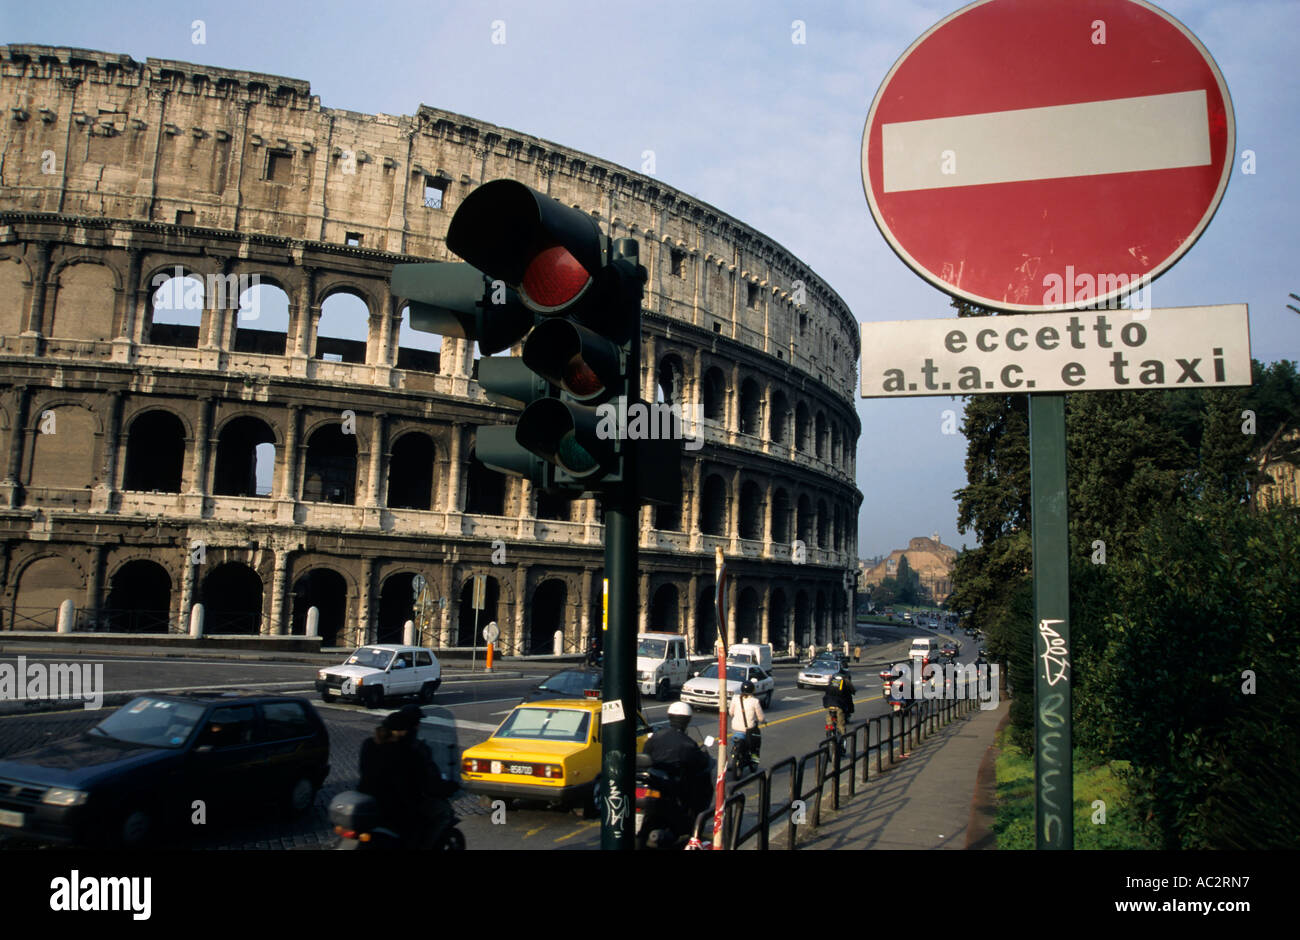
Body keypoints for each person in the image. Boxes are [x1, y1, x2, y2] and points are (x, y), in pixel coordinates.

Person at [358, 704, 457, 848]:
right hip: (398, 807)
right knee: (438, 814)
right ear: (404, 731)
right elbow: (425, 782)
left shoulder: (369, 744)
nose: (417, 727)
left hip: (370, 800)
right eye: (415, 725)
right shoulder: (407, 753)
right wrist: (447, 787)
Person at [644, 702, 711, 815]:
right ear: (688, 720)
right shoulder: (688, 743)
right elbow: (700, 762)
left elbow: (646, 753)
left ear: (669, 716)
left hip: (654, 780)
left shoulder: (656, 736)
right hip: (673, 784)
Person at [728, 680, 766, 761]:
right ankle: (755, 760)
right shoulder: (755, 701)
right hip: (749, 730)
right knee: (755, 745)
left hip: (735, 728)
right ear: (752, 690)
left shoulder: (735, 698)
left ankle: (734, 757)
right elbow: (761, 718)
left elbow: (730, 713)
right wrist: (764, 721)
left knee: (735, 743)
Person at [822, 668, 855, 735]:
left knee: (829, 722)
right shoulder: (845, 681)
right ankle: (843, 739)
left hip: (828, 703)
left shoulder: (832, 681)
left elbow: (826, 691)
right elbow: (852, 690)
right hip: (839, 704)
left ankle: (829, 730)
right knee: (841, 725)